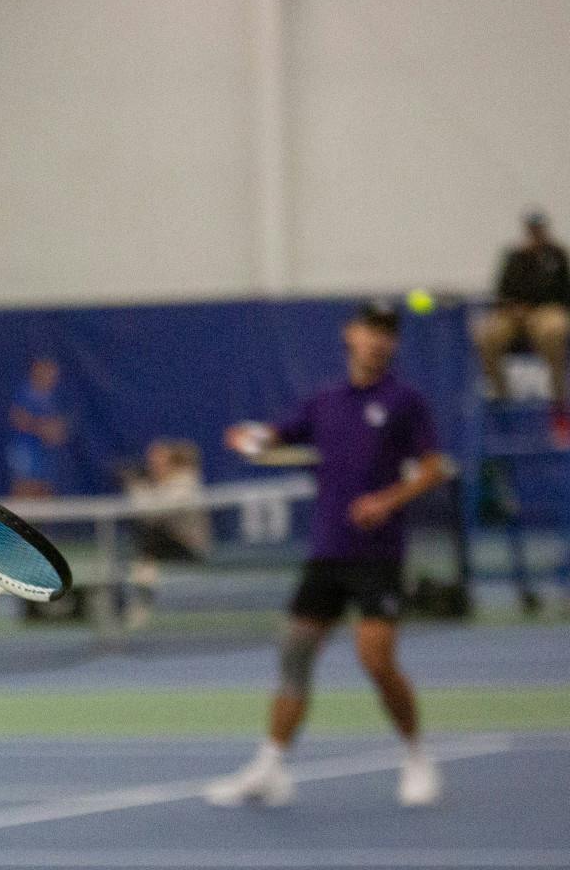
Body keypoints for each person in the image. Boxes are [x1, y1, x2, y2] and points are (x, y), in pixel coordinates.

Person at [206, 301, 453, 808]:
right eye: (370, 330)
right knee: (294, 656)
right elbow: (271, 437)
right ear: (351, 335)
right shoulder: (324, 402)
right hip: (327, 554)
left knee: (376, 659)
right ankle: (271, 768)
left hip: (378, 557)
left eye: (388, 333)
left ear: (394, 344)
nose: (378, 340)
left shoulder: (406, 402)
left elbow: (433, 469)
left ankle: (416, 757)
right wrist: (248, 438)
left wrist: (386, 501)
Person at [475, 208, 570, 444]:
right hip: (514, 314)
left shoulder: (557, 256)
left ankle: (558, 402)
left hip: (546, 311)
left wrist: (538, 307)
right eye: (532, 229)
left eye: (539, 229)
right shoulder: (514, 257)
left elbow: (563, 294)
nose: (536, 234)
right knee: (488, 334)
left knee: (554, 330)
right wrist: (514, 308)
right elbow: (503, 291)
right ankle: (501, 397)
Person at [120, 439, 210, 629]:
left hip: (189, 548)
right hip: (162, 546)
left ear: (172, 462)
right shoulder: (157, 484)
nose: (153, 465)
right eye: (152, 460)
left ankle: (141, 603)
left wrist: (136, 487)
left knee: (149, 536)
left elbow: (154, 513)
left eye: (159, 460)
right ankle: (138, 599)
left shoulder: (185, 482)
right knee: (145, 548)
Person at [5, 355, 75, 498]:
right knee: (25, 490)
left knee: (45, 492)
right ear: (37, 370)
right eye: (48, 370)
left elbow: (58, 426)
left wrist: (58, 430)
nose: (52, 375)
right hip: (26, 451)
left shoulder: (52, 397)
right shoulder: (26, 393)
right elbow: (17, 417)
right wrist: (41, 428)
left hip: (46, 456)